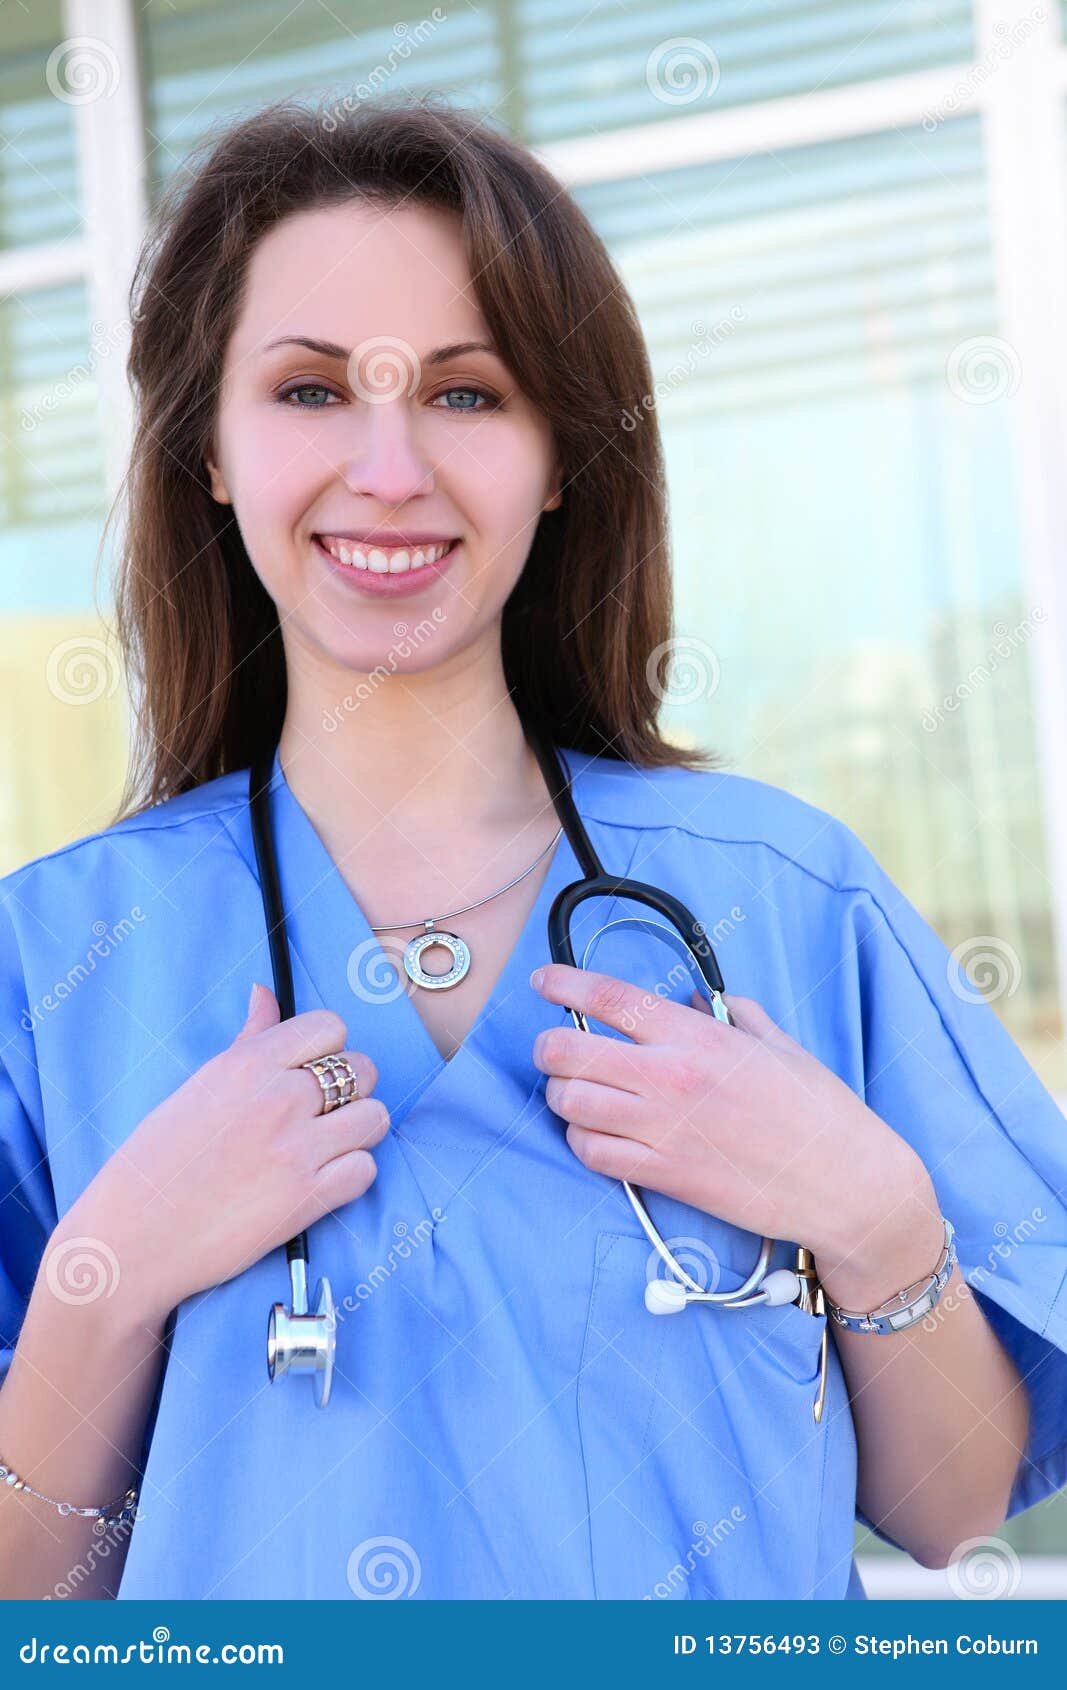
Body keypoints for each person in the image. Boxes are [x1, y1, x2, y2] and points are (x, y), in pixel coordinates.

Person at [0, 94, 1062, 1603]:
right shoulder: (51, 962)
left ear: (561, 453)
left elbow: (952, 1505)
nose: (388, 468)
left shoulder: (783, 894)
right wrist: (101, 1279)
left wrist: (873, 1214)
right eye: (308, 392)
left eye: (467, 393)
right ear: (211, 455)